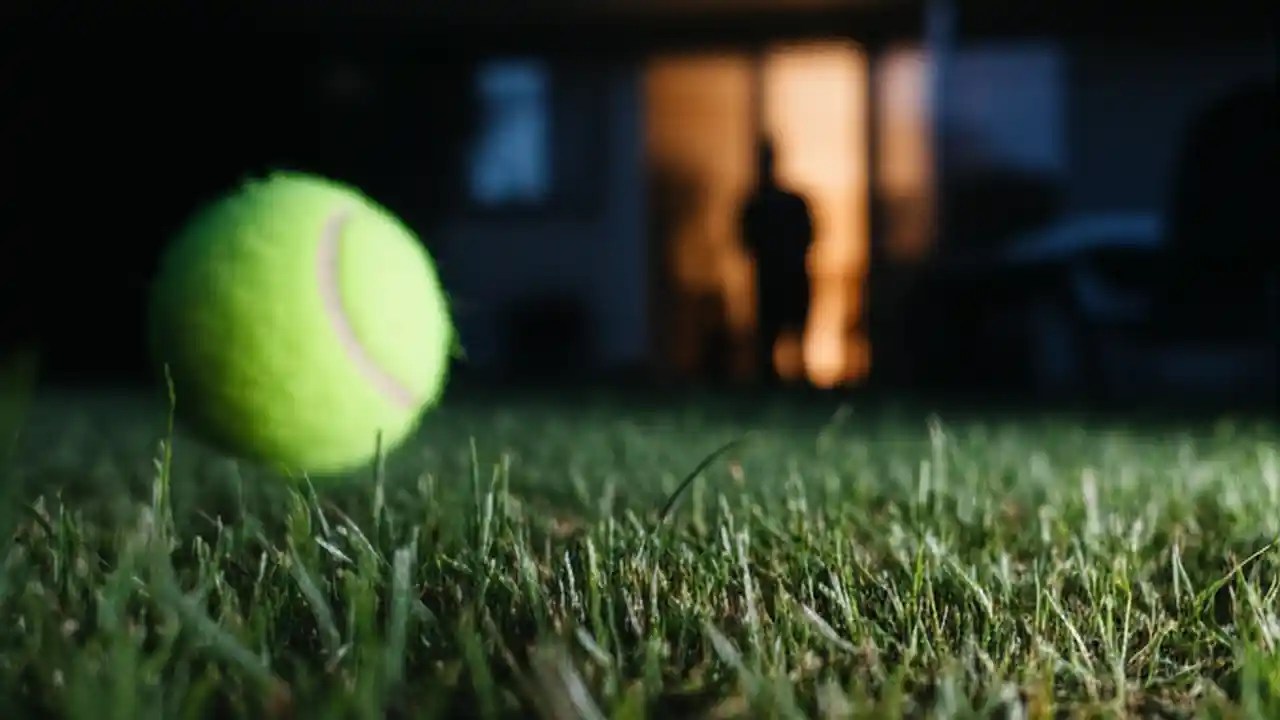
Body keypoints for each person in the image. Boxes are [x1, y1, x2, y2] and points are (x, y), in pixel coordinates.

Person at [739, 138, 815, 383]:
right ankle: (773, 382)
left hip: (787, 276)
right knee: (770, 339)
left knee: (794, 337)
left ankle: (796, 382)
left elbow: (809, 236)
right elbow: (746, 241)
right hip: (772, 278)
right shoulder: (759, 204)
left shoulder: (785, 204)